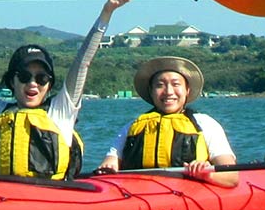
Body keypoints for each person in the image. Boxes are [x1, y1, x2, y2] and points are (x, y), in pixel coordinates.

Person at [0, 0, 131, 179]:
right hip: (0, 198)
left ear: (49, 85)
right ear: (12, 81)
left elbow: (83, 61)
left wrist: (107, 12)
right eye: (25, 77)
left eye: (41, 78)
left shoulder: (61, 111)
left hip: (48, 199)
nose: (33, 83)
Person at [96, 54, 238, 187]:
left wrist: (206, 175)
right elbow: (110, 163)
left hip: (189, 196)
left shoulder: (205, 124)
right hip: (138, 197)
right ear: (151, 91)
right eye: (160, 85)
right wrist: (109, 167)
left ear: (187, 90)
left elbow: (231, 177)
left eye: (176, 84)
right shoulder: (132, 127)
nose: (169, 91)